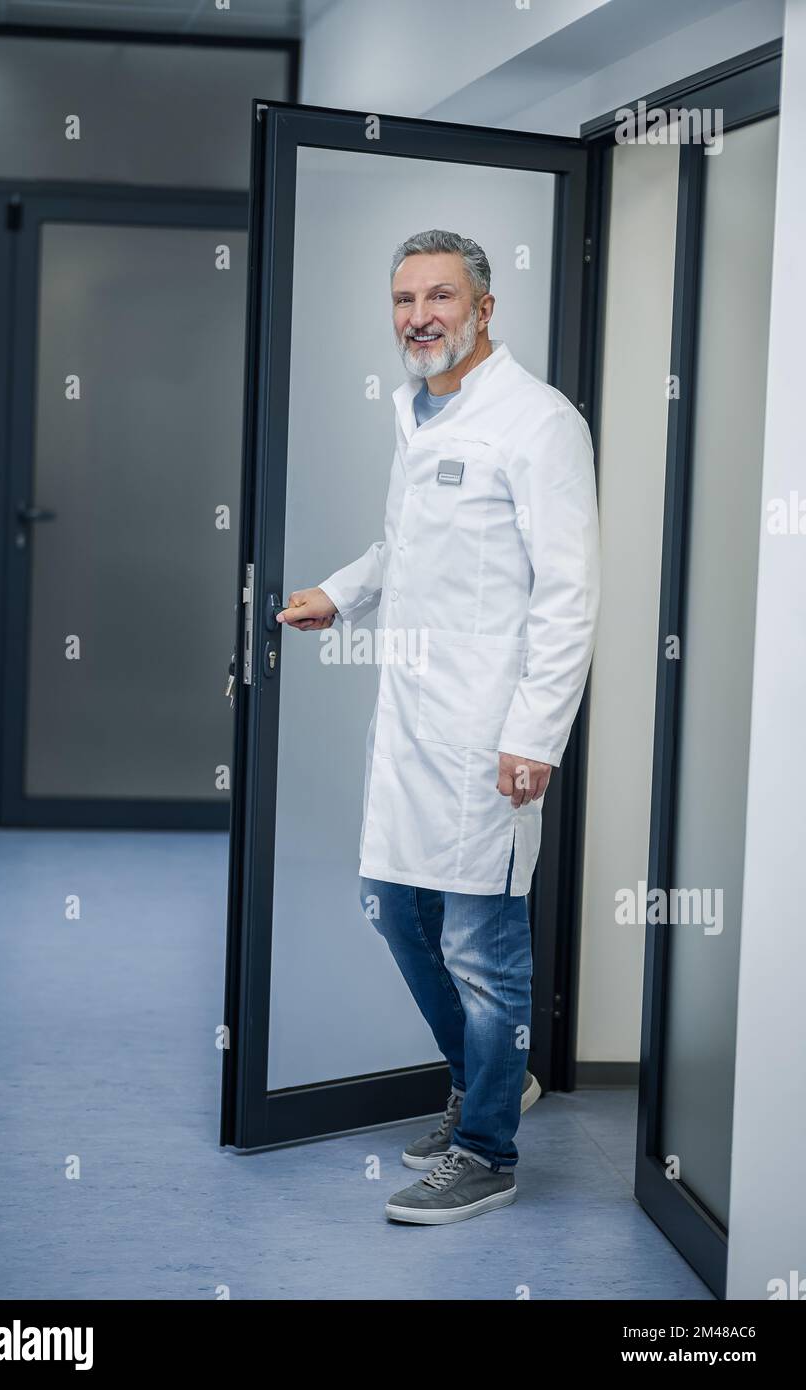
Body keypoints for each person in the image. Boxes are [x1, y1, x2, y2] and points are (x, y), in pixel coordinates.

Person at [277, 229, 601, 1225]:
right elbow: (404, 547)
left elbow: (570, 591)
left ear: (485, 309)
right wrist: (340, 592)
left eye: (440, 297)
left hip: (490, 735)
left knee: (482, 946)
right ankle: (488, 1075)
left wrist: (535, 735)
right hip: (412, 725)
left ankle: (488, 1148)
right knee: (394, 903)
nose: (419, 316)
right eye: (404, 299)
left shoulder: (539, 424)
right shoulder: (418, 414)